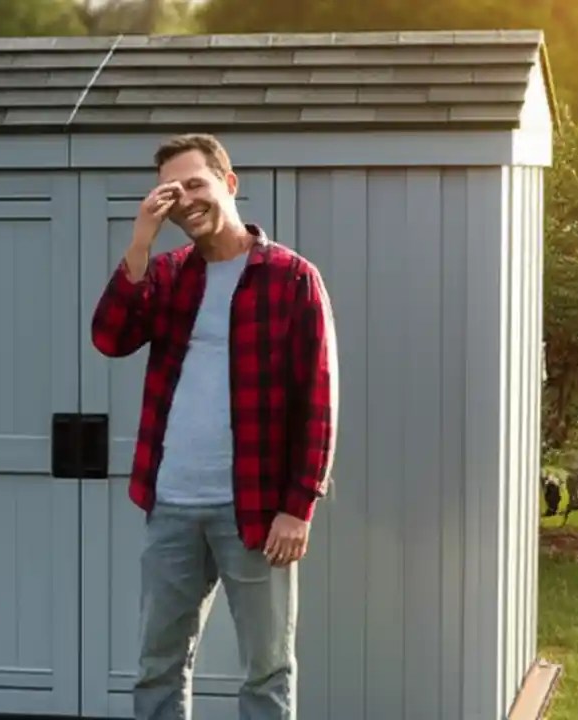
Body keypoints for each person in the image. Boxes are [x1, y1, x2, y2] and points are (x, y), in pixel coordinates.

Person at [90, 133, 338, 720]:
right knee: (158, 667)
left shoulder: (291, 278)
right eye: (170, 194)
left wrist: (299, 506)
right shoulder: (169, 275)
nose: (185, 201)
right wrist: (140, 243)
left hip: (254, 510)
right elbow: (110, 337)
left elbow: (319, 399)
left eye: (195, 184)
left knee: (267, 669)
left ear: (229, 183)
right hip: (170, 503)